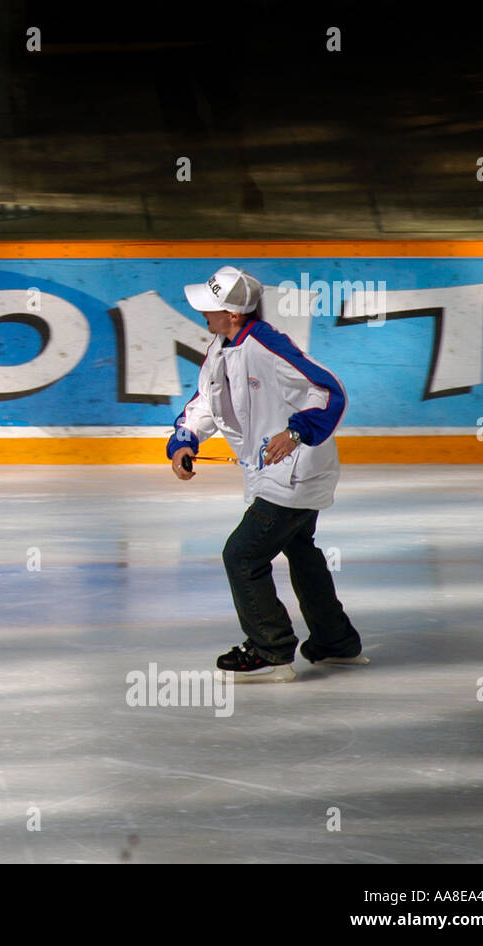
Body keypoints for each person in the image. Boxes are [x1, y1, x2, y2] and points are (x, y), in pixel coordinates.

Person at [167, 266, 365, 682]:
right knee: (300, 551)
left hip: (295, 473)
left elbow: (330, 391)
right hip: (272, 473)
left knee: (241, 555)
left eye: (210, 308)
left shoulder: (265, 346)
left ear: (234, 314)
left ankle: (270, 649)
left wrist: (297, 432)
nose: (203, 314)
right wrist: (185, 438)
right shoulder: (222, 346)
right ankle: (335, 642)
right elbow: (206, 400)